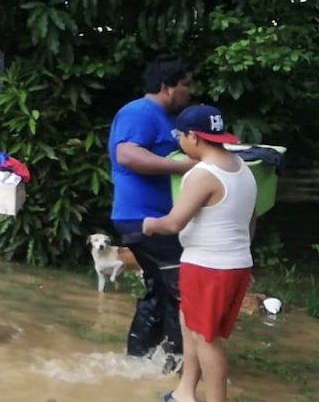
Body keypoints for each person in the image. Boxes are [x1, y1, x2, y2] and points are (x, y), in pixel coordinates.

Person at [143, 105, 256, 402]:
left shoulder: (203, 174)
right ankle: (184, 393)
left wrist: (149, 224)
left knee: (206, 340)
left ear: (193, 137)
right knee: (189, 325)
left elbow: (174, 222)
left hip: (210, 268)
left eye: (180, 136)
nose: (179, 142)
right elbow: (251, 219)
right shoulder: (242, 168)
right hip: (232, 263)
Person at [109, 56, 195, 362]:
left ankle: (138, 362)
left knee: (160, 289)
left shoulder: (166, 119)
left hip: (157, 217)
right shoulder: (139, 112)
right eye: (185, 85)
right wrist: (186, 166)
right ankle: (177, 366)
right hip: (142, 218)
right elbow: (127, 156)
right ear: (166, 87)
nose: (190, 92)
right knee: (182, 290)